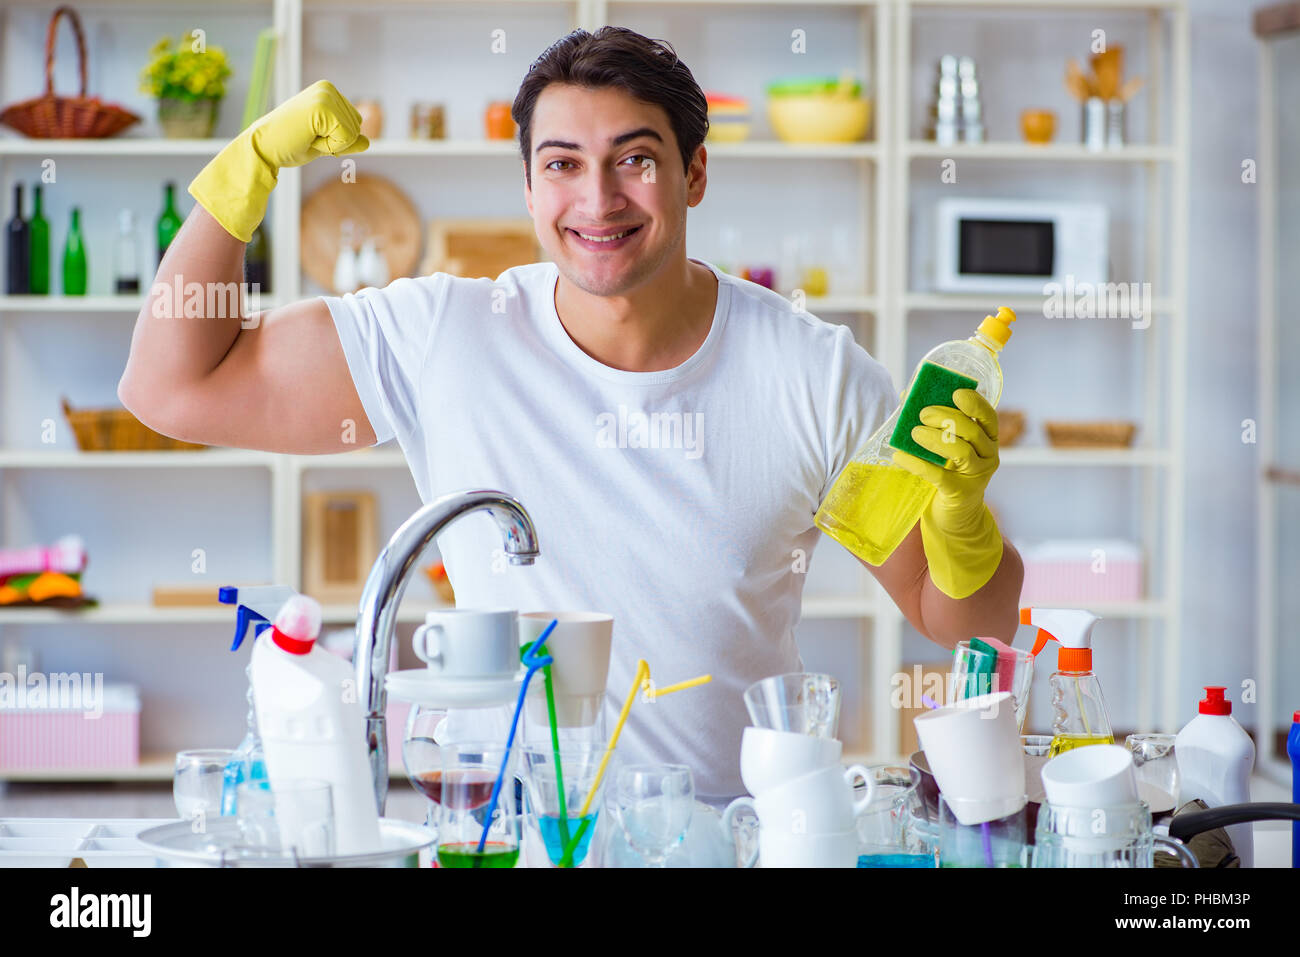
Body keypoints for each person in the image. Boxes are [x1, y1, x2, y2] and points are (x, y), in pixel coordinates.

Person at [118, 26, 1022, 805]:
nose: (598, 200)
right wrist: (242, 173)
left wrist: (964, 526)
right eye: (562, 164)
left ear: (694, 173)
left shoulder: (813, 372)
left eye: (635, 159)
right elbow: (172, 389)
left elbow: (956, 619)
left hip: (728, 837)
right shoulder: (445, 336)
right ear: (528, 186)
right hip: (508, 834)